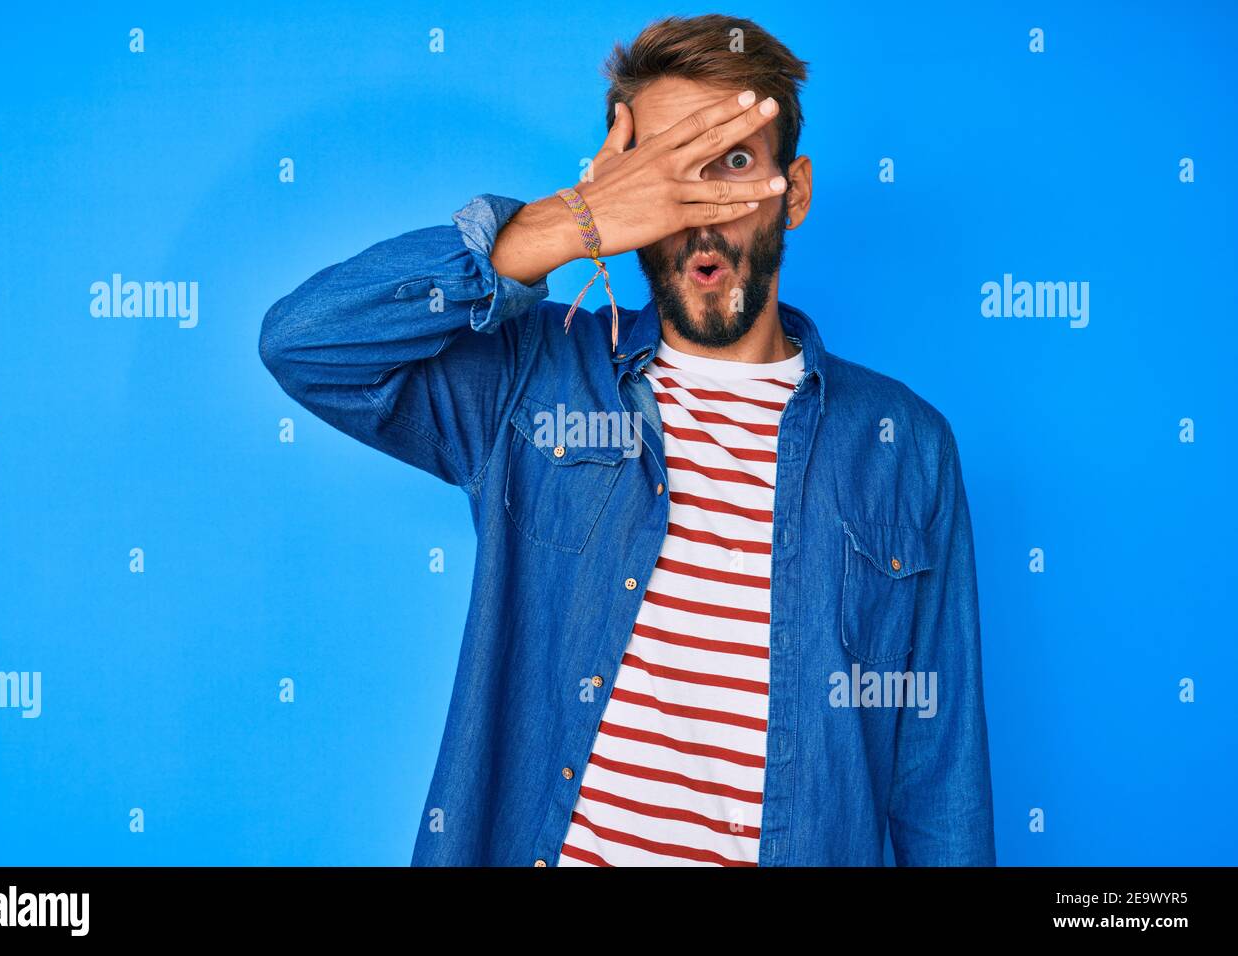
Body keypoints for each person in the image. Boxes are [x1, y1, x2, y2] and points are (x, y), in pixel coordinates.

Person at [259, 13, 995, 867]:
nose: (701, 211)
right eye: (666, 171)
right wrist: (568, 222)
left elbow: (939, 786)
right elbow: (306, 343)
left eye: (732, 165)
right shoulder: (533, 383)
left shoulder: (904, 445)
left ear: (794, 192)